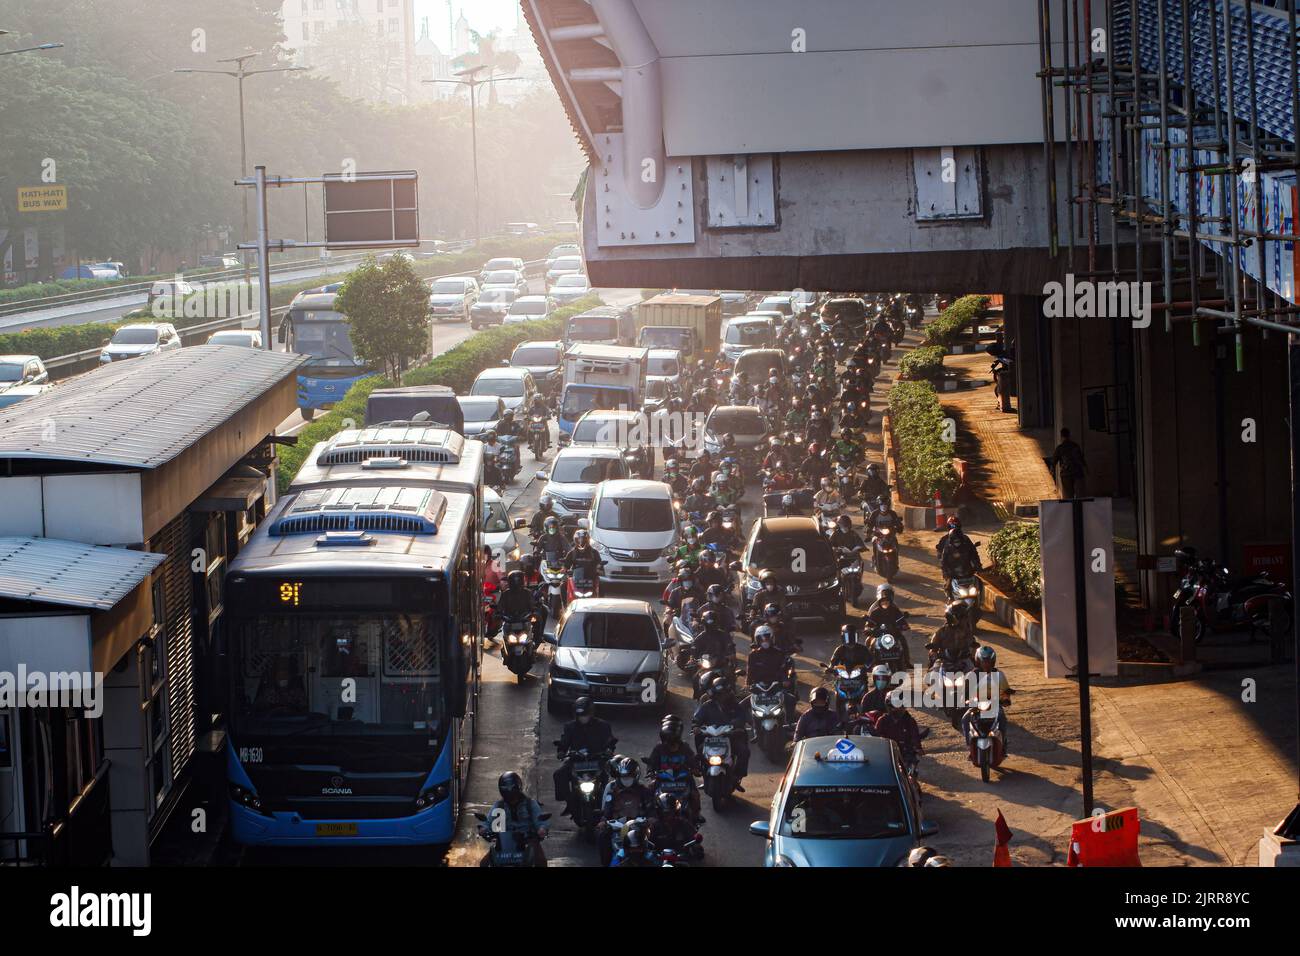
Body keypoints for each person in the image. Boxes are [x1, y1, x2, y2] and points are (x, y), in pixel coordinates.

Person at [553, 697, 617, 816]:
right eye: (580, 715)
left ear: (591, 713)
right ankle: (569, 802)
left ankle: (607, 804)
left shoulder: (603, 726)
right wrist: (561, 751)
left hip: (597, 760)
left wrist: (608, 750)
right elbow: (564, 741)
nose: (583, 718)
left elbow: (610, 740)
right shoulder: (570, 727)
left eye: (585, 715)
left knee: (611, 777)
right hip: (576, 760)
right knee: (559, 774)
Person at [692, 676, 751, 791]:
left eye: (724, 693)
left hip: (731, 738)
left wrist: (736, 725)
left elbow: (742, 717)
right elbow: (697, 718)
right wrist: (696, 726)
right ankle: (703, 774)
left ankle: (737, 776)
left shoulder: (735, 706)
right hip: (710, 739)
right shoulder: (707, 706)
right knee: (700, 751)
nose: (722, 696)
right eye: (719, 694)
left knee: (744, 751)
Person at [480, 771, 548, 867]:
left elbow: (539, 820)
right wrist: (483, 828)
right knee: (483, 864)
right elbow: (489, 821)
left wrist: (542, 829)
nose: (512, 799)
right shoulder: (499, 806)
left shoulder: (530, 804)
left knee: (541, 862)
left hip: (528, 841)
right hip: (504, 844)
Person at [643, 716, 702, 822]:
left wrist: (696, 768)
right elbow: (652, 762)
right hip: (663, 778)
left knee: (695, 794)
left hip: (684, 778)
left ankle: (696, 815)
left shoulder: (685, 747)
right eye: (668, 743)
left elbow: (693, 760)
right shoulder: (659, 748)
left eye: (673, 744)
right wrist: (650, 771)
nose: (671, 747)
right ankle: (649, 815)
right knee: (649, 790)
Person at [962, 645, 1014, 754]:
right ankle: (969, 746)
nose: (986, 664)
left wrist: (1005, 699)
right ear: (978, 661)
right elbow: (965, 692)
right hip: (976, 705)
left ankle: (1003, 745)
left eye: (988, 661)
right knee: (965, 719)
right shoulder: (972, 675)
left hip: (995, 704)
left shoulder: (999, 674)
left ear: (993, 661)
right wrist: (965, 700)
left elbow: (1005, 690)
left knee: (1002, 718)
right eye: (983, 661)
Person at [745, 625, 797, 719]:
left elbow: (784, 669)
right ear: (757, 640)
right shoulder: (753, 655)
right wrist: (748, 684)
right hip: (759, 689)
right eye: (762, 639)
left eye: (767, 639)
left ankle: (789, 723)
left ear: (772, 638)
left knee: (791, 700)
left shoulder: (779, 653)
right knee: (742, 705)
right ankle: (751, 726)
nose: (765, 641)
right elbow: (750, 670)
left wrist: (785, 680)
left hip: (776, 688)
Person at [646, 793, 699, 860]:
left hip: (681, 861)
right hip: (659, 862)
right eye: (665, 813)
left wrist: (696, 848)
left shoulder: (684, 824)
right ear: (659, 813)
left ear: (675, 811)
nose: (669, 816)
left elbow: (694, 839)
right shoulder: (654, 827)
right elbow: (648, 845)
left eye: (671, 812)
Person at [496, 569, 540, 640]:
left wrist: (535, 613)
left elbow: (533, 605)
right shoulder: (506, 594)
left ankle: (538, 639)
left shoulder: (527, 593)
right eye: (514, 581)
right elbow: (500, 606)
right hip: (509, 621)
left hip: (524, 620)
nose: (516, 584)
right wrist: (498, 613)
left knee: (538, 623)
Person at [1050, 427, 1088, 498]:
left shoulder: (1060, 448)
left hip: (1066, 474)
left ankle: (1070, 508)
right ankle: (1079, 508)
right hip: (1077, 473)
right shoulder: (1075, 446)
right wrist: (1086, 469)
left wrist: (1052, 469)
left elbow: (1054, 460)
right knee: (1080, 495)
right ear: (1069, 435)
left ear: (1061, 436)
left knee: (1068, 495)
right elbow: (1081, 459)